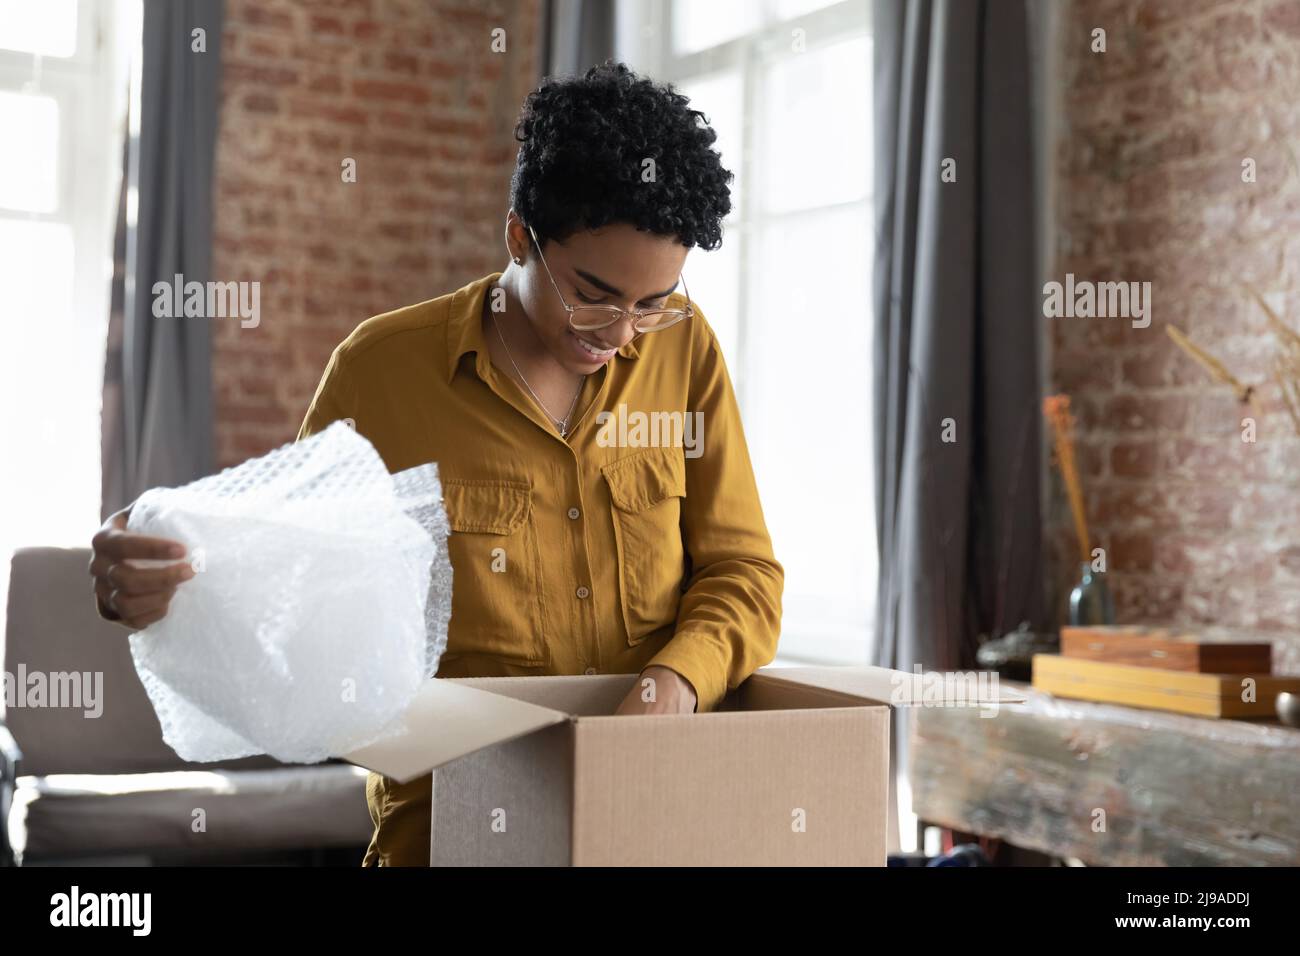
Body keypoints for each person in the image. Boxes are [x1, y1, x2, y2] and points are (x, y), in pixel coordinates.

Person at [88, 61, 783, 866]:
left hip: (650, 827)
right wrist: (157, 564)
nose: (621, 334)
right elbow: (287, 585)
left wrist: (672, 688)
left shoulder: (687, 352)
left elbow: (745, 573)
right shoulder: (382, 371)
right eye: (594, 295)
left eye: (651, 304)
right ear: (520, 237)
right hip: (447, 836)